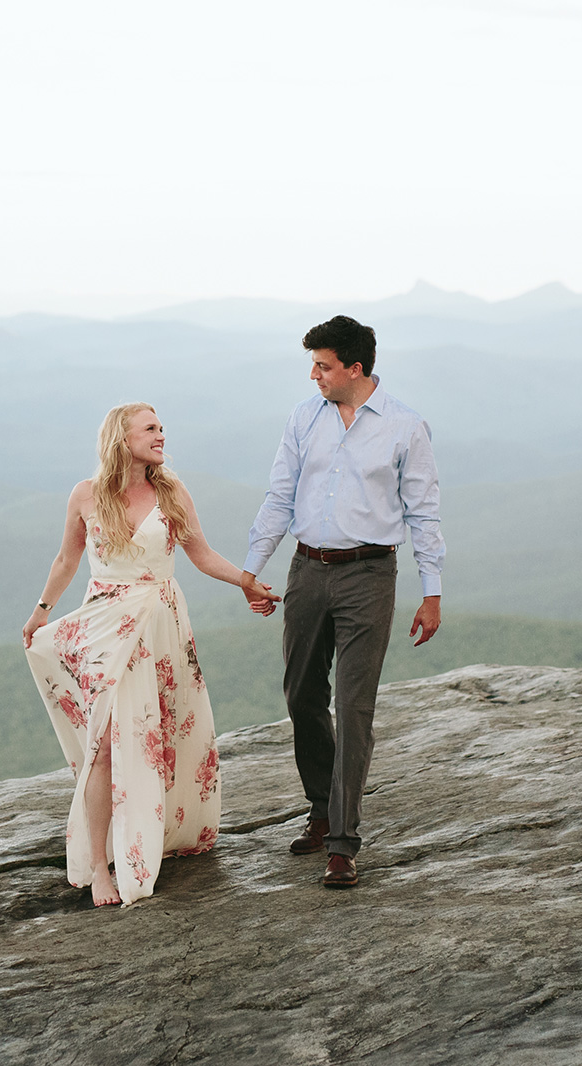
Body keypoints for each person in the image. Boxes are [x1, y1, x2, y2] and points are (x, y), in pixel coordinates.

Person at [24, 403, 280, 906]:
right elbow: (66, 559)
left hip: (162, 625)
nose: (161, 435)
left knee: (162, 733)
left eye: (162, 427)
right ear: (122, 438)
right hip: (107, 627)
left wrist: (247, 583)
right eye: (150, 428)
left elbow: (201, 553)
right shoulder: (87, 494)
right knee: (104, 747)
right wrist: (40, 611)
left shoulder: (171, 490)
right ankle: (101, 866)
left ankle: (154, 836)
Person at [241, 315, 444, 889]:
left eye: (323, 366)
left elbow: (424, 513)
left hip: (370, 575)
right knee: (302, 694)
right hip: (307, 569)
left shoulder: (405, 428)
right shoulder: (305, 418)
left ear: (355, 369)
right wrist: (250, 571)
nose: (314, 376)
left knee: (353, 708)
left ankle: (342, 842)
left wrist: (431, 593)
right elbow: (279, 494)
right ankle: (321, 806)